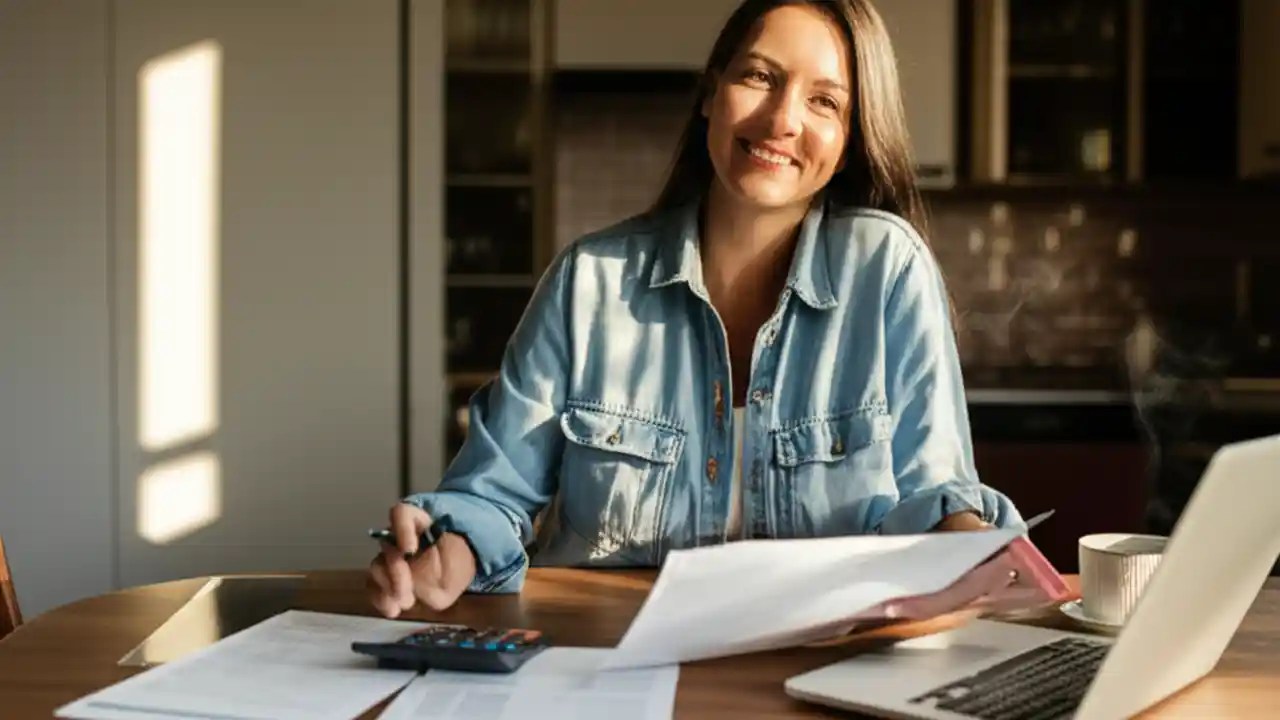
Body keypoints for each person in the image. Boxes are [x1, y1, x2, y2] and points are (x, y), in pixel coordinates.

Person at [368, 0, 1024, 618]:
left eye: (824, 101)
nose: (782, 120)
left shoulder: (888, 269)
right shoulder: (590, 280)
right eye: (760, 77)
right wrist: (444, 555)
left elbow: (933, 492)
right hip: (601, 659)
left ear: (849, 137)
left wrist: (970, 545)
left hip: (824, 660)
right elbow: (494, 494)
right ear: (711, 93)